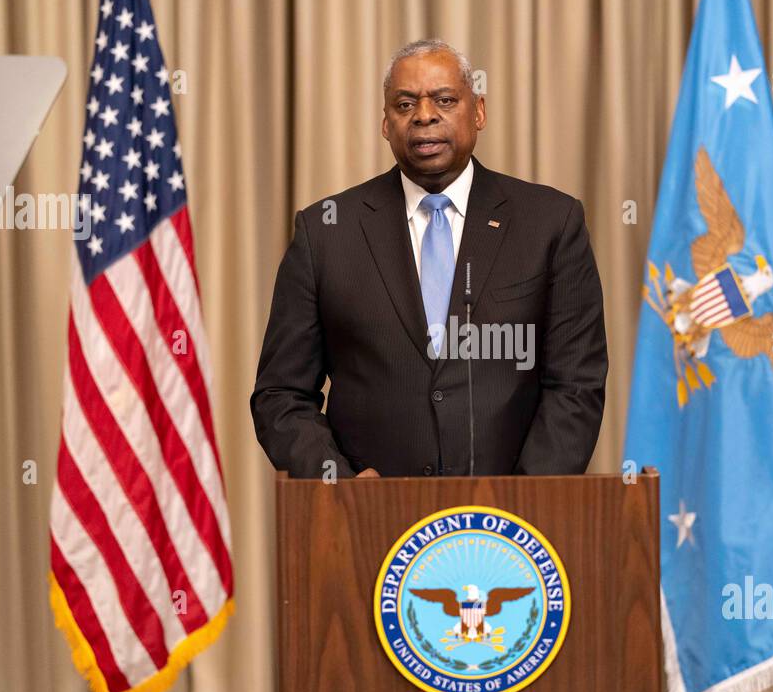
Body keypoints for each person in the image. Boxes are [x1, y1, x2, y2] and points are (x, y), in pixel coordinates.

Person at [250, 39, 607, 478]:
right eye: (404, 104)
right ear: (385, 123)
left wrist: (522, 502)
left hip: (507, 532)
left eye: (444, 99)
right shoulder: (325, 232)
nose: (423, 115)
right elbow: (281, 395)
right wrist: (339, 485)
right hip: (370, 526)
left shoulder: (551, 223)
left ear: (478, 111)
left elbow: (576, 385)